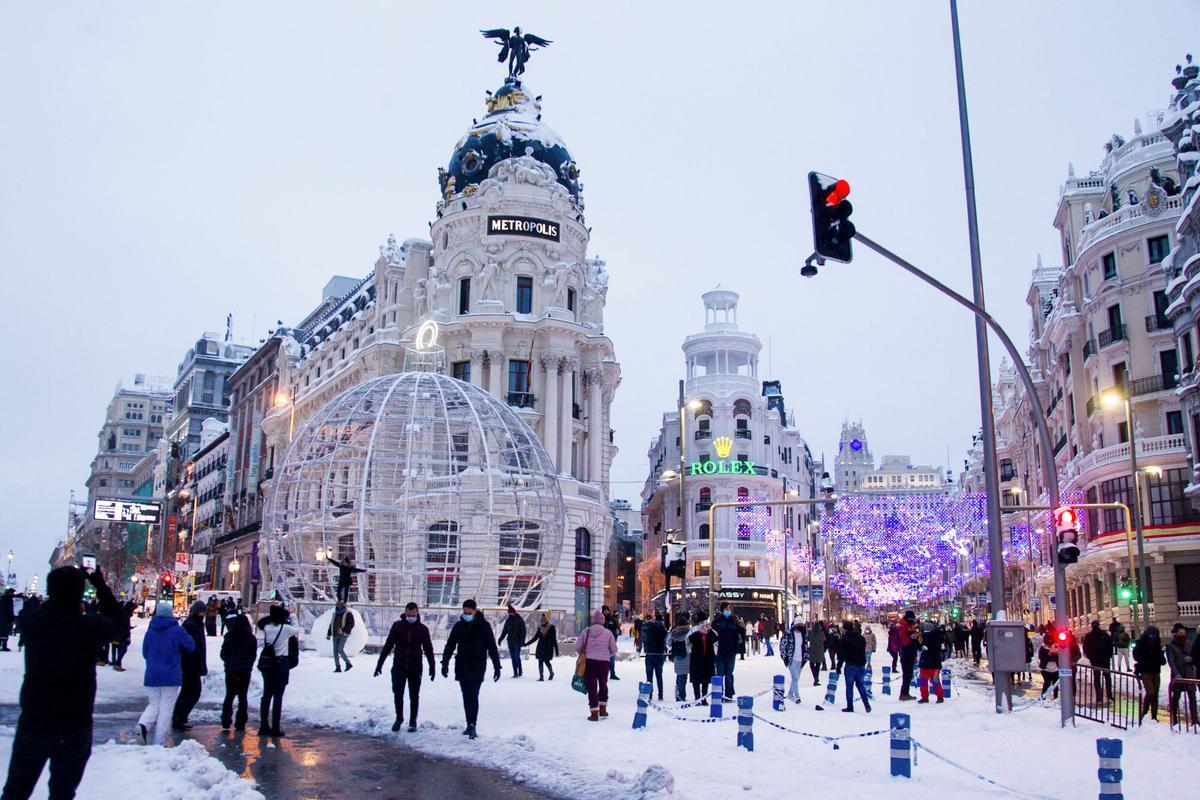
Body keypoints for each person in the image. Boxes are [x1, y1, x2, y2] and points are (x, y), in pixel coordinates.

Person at [1, 567, 121, 800]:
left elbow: (31, 609)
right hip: (74, 723)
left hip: (35, 719)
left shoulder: (34, 622)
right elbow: (119, 621)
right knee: (63, 792)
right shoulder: (88, 626)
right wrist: (100, 586)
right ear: (79, 594)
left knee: (16, 790)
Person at [136, 602, 195, 746]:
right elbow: (190, 646)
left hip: (151, 674)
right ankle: (160, 742)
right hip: (170, 674)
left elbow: (145, 652)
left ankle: (143, 724)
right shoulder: (177, 630)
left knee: (154, 704)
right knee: (166, 708)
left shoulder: (151, 630)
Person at [440, 599, 501, 739]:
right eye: (465, 612)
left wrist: (497, 666)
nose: (466, 615)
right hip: (462, 665)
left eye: (469, 612)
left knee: (473, 695)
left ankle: (473, 724)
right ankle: (469, 723)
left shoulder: (484, 626)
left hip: (477, 666)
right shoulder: (459, 626)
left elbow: (491, 646)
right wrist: (445, 663)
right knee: (466, 696)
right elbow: (450, 645)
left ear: (475, 611)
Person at [376, 602, 435, 733]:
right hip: (399, 665)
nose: (411, 617)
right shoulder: (397, 626)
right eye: (408, 615)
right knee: (398, 693)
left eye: (413, 615)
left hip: (415, 667)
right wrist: (380, 663)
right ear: (405, 613)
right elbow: (388, 645)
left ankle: (413, 721)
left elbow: (428, 649)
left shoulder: (422, 629)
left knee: (414, 695)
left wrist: (432, 666)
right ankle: (399, 718)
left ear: (417, 614)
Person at [258, 605, 302, 737]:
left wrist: (274, 615)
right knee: (278, 695)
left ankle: (264, 725)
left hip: (267, 664)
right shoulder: (286, 629)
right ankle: (275, 727)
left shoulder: (267, 628)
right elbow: (297, 628)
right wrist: (292, 615)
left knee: (266, 695)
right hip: (281, 662)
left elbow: (262, 622)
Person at [170, 601, 208, 731]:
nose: (203, 614)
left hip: (193, 663)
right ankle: (179, 717)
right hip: (190, 664)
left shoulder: (195, 624)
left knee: (190, 692)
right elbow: (192, 646)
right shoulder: (192, 625)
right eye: (201, 612)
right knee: (191, 692)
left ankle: (180, 717)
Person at [576, 610, 619, 721]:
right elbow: (614, 650)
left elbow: (577, 646)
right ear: (603, 621)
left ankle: (594, 712)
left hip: (590, 662)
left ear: (593, 621)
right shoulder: (608, 633)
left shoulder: (587, 631)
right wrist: (606, 654)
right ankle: (603, 709)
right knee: (603, 685)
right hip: (604, 663)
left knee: (592, 687)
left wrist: (584, 653)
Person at [219, 613, 257, 732]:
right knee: (242, 697)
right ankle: (240, 722)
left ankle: (226, 720)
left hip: (231, 669)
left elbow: (223, 654)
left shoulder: (229, 636)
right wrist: (249, 664)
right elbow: (253, 655)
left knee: (229, 695)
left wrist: (228, 662)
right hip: (245, 670)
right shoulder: (251, 638)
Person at [1165, 623, 1198, 726]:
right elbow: (1171, 661)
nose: (1182, 635)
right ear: (1175, 633)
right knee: (1176, 697)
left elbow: (1195, 656)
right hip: (1178, 675)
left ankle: (1195, 720)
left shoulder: (1189, 644)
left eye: (1184, 633)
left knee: (1192, 697)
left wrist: (1192, 659)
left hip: (1189, 674)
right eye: (1180, 633)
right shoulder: (1170, 646)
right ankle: (1174, 718)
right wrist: (1176, 674)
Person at [1132, 625, 1165, 723]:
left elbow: (1162, 661)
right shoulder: (1141, 644)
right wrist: (1148, 654)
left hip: (1155, 671)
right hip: (1145, 671)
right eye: (1151, 635)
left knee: (1155, 694)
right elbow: (1137, 657)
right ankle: (1144, 713)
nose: (1153, 637)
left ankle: (1154, 716)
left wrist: (1159, 655)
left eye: (1154, 635)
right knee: (1150, 692)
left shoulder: (1157, 645)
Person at [711, 602, 741, 700]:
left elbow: (738, 634)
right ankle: (719, 694)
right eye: (727, 609)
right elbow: (714, 636)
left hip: (731, 651)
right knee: (720, 673)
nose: (729, 610)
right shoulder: (717, 621)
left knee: (729, 674)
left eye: (729, 609)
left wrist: (736, 647)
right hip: (720, 652)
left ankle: (729, 694)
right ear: (723, 609)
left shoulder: (733, 621)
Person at [840, 621, 871, 712]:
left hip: (850, 664)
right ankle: (866, 704)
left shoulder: (846, 639)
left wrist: (839, 666)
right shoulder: (861, 638)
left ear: (845, 629)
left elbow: (842, 654)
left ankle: (850, 706)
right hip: (861, 664)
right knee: (860, 685)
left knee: (849, 686)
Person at [639, 612, 668, 701]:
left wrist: (645, 646)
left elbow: (643, 636)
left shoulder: (649, 627)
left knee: (649, 675)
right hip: (659, 654)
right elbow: (665, 640)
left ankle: (650, 694)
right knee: (659, 675)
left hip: (650, 653)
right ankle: (660, 694)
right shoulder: (663, 629)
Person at [1082, 620, 1114, 703]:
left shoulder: (1090, 636)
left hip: (1098, 660)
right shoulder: (1103, 635)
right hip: (1102, 660)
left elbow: (1085, 648)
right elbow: (1110, 645)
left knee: (1099, 678)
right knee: (1105, 678)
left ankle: (1101, 697)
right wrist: (1108, 655)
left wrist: (1091, 657)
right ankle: (1108, 696)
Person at [687, 614, 715, 703]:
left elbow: (715, 638)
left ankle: (704, 697)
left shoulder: (710, 630)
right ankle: (697, 698)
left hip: (707, 658)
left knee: (705, 679)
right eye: (702, 622)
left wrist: (709, 631)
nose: (704, 624)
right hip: (696, 658)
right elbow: (690, 639)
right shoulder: (694, 630)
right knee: (696, 679)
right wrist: (700, 633)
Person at [524, 613, 559, 681]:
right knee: (540, 661)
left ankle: (551, 673)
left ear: (546, 622)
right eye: (541, 623)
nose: (542, 625)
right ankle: (541, 676)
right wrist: (527, 644)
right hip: (541, 647)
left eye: (543, 623)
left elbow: (554, 640)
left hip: (548, 647)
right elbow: (535, 638)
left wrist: (556, 650)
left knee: (546, 661)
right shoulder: (540, 628)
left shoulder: (551, 628)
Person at [916, 622, 944, 704]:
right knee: (930, 681)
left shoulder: (928, 638)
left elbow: (920, 647)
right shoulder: (937, 637)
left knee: (926, 681)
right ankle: (938, 697)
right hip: (932, 663)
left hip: (928, 662)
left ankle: (927, 697)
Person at [497, 605, 527, 678]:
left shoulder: (519, 620)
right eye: (509, 614)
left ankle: (520, 670)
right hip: (510, 642)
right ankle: (515, 672)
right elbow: (505, 631)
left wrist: (522, 640)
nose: (510, 615)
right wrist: (500, 639)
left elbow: (523, 631)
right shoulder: (508, 621)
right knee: (513, 657)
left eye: (511, 613)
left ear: (514, 613)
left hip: (517, 642)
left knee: (516, 656)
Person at [326, 601, 356, 673]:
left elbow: (351, 623)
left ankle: (348, 663)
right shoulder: (335, 614)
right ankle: (337, 667)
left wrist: (344, 630)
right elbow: (331, 624)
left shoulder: (348, 613)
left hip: (343, 634)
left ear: (343, 606)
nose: (338, 606)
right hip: (335, 634)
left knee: (340, 649)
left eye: (340, 605)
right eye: (338, 605)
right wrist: (329, 634)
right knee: (335, 651)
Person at [898, 611, 920, 701]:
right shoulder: (903, 627)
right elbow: (904, 641)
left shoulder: (910, 626)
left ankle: (905, 693)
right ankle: (904, 694)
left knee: (909, 674)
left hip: (911, 653)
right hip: (906, 654)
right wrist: (911, 637)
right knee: (907, 674)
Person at [780, 621, 804, 702]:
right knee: (795, 677)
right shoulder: (788, 634)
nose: (801, 626)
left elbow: (805, 646)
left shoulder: (803, 634)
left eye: (802, 625)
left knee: (795, 679)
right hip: (791, 659)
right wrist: (785, 657)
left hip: (800, 659)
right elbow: (782, 645)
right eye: (799, 625)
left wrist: (806, 656)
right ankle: (797, 696)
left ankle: (790, 693)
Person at [668, 619, 691, 702]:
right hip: (686, 656)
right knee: (683, 677)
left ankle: (678, 695)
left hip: (677, 655)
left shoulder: (674, 633)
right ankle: (681, 695)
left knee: (679, 675)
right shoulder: (689, 632)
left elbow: (668, 643)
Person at [109, 600, 134, 672]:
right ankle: (117, 663)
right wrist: (128, 633)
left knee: (120, 648)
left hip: (119, 633)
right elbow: (125, 625)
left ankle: (117, 663)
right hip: (123, 634)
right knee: (123, 649)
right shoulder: (125, 615)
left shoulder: (122, 613)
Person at [602, 606, 621, 680]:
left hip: (611, 642)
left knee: (612, 659)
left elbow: (617, 629)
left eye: (607, 611)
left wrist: (615, 636)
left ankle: (612, 674)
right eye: (605, 611)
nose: (606, 612)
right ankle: (602, 674)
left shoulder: (612, 619)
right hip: (602, 643)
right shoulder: (601, 620)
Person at [807, 620, 826, 686]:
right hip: (819, 650)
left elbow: (808, 638)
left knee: (811, 664)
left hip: (812, 650)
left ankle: (815, 676)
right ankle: (816, 677)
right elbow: (824, 639)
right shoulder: (821, 632)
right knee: (818, 665)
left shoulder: (811, 632)